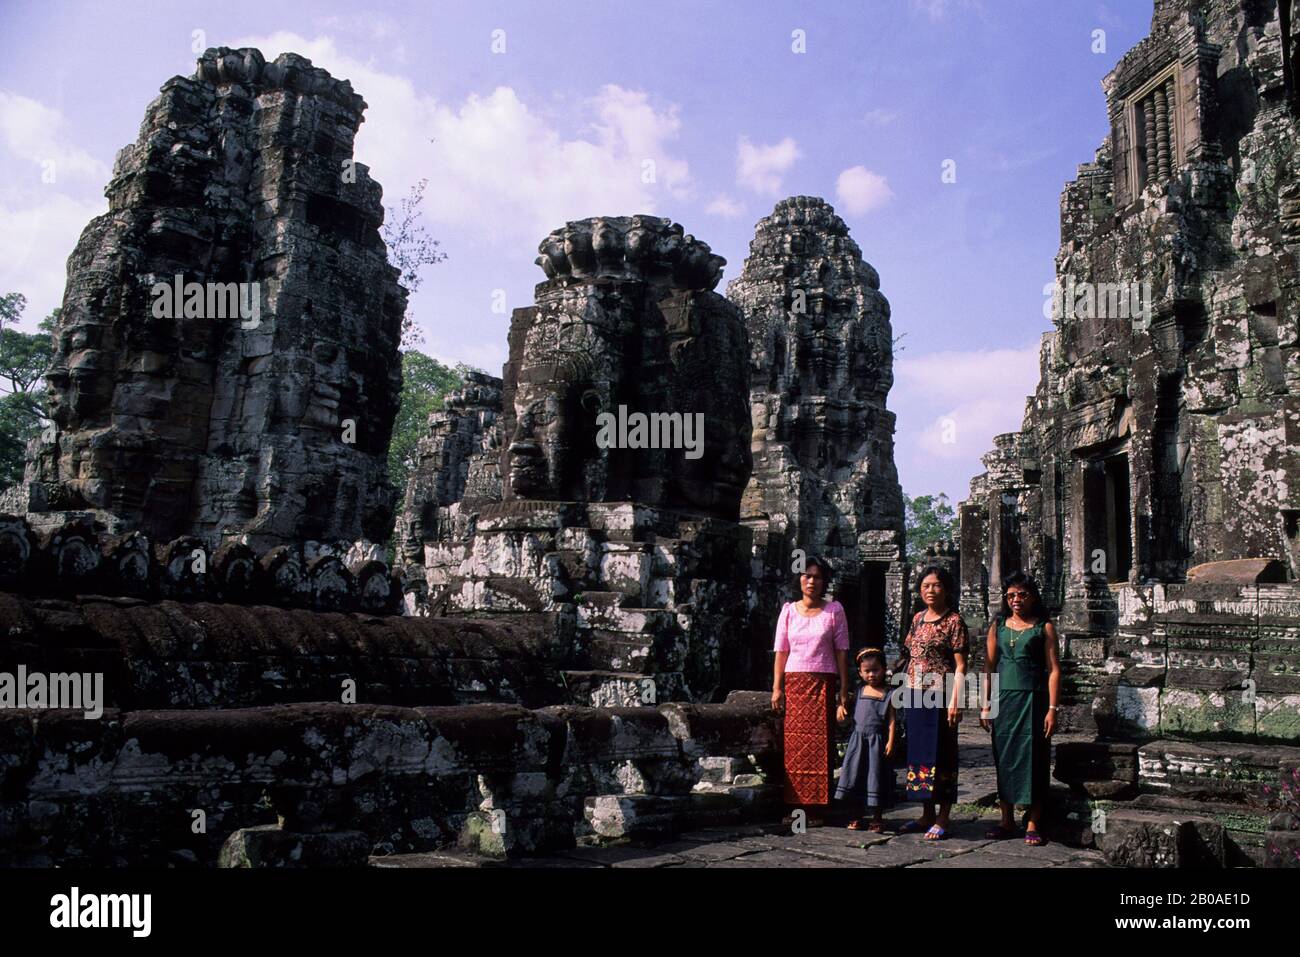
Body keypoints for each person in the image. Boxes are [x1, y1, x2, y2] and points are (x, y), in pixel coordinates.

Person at [980, 571, 1061, 846]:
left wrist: (1053, 708)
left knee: (1035, 757)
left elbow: (1053, 670)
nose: (1016, 599)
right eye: (1011, 595)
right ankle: (1006, 819)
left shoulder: (1044, 627)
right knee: (1004, 758)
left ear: (1033, 596)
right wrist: (985, 703)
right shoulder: (998, 625)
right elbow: (989, 667)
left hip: (1034, 700)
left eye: (1022, 594)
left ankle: (1033, 820)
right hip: (1004, 701)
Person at [771, 556, 850, 827]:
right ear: (799, 580)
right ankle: (795, 806)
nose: (812, 581)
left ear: (824, 581)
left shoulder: (834, 611)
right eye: (807, 576)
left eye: (817, 577)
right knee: (794, 747)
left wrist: (843, 689)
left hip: (822, 684)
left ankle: (817, 808)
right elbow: (781, 652)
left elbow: (841, 652)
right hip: (794, 684)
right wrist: (777, 688)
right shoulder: (789, 611)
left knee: (819, 746)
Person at [898, 564, 968, 840]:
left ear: (947, 589)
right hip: (915, 693)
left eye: (936, 585)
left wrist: (956, 700)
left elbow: (961, 665)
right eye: (925, 586)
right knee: (919, 754)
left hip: (940, 695)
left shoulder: (954, 622)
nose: (930, 590)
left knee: (943, 754)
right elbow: (909, 656)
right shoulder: (917, 619)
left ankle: (943, 816)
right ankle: (926, 812)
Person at [835, 647, 897, 832]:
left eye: (876, 670)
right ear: (860, 672)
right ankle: (856, 816)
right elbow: (845, 708)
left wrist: (891, 740)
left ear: (884, 669)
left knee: (875, 777)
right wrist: (840, 708)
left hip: (877, 742)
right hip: (858, 742)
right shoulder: (859, 691)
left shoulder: (889, 694)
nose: (871, 675)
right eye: (867, 671)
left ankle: (877, 818)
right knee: (856, 776)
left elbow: (892, 720)